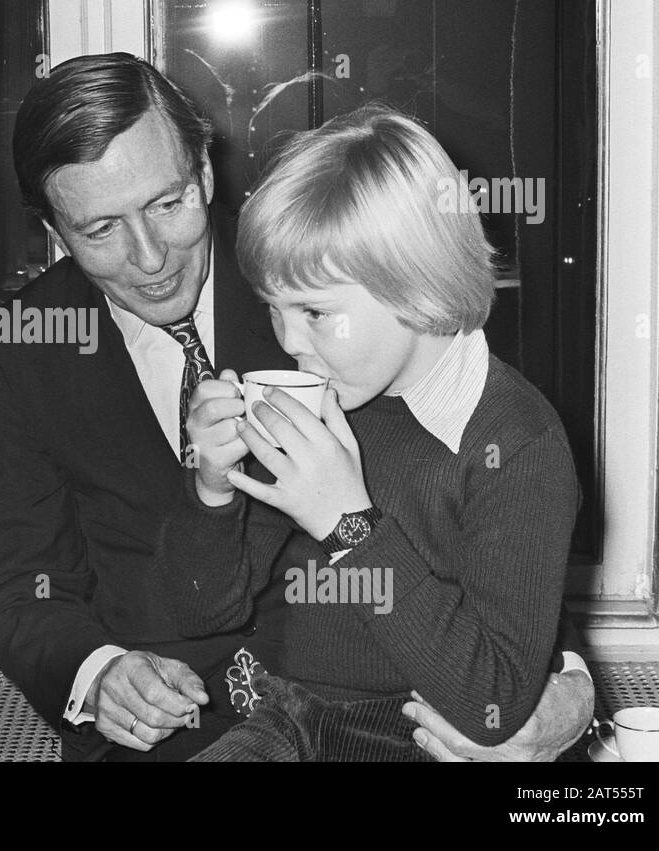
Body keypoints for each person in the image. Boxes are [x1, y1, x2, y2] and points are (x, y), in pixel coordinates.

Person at [0, 53, 595, 762]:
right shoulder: (24, 343)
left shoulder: (315, 258)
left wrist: (567, 688)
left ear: (204, 170)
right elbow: (25, 588)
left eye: (167, 203)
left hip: (398, 720)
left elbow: (495, 537)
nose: (149, 258)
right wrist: (96, 672)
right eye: (101, 230)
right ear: (56, 229)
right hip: (165, 739)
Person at [156, 106, 579, 760]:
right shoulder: (327, 394)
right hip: (282, 719)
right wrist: (210, 489)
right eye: (274, 307)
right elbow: (204, 613)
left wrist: (350, 524)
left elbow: (494, 702)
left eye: (315, 312)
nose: (289, 340)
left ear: (413, 285)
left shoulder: (517, 443)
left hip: (414, 734)